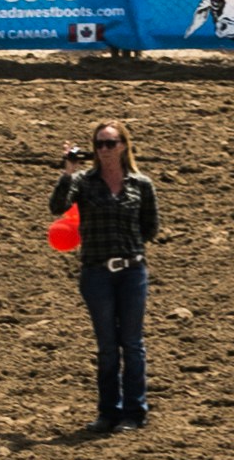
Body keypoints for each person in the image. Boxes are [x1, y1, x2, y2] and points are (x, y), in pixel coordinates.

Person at [50, 122, 159, 435]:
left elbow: (150, 226)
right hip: (97, 271)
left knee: (132, 343)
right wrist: (68, 172)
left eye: (110, 143)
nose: (104, 150)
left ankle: (135, 412)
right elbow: (57, 206)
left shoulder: (141, 184)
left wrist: (128, 245)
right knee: (108, 345)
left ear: (124, 145)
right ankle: (108, 412)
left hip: (132, 271)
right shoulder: (84, 182)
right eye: (99, 144)